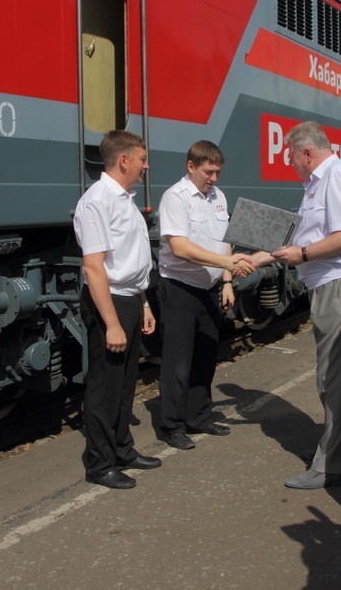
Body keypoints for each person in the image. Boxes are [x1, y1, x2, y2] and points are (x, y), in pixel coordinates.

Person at [253, 120, 341, 490]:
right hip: (328, 284)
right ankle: (340, 453)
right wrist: (262, 257)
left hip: (340, 284)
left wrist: (303, 253)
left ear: (307, 152)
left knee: (335, 378)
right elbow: (307, 235)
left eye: (291, 156)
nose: (289, 163)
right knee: (332, 378)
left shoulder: (339, 176)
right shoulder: (317, 185)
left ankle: (332, 465)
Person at [73, 130, 161, 490]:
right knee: (105, 387)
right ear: (124, 160)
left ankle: (122, 449)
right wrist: (111, 323)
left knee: (125, 385)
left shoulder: (125, 199)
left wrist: (143, 303)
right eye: (142, 158)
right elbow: (94, 267)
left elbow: (131, 260)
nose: (146, 165)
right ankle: (100, 464)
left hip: (128, 298)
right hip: (107, 301)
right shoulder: (97, 201)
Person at [157, 141, 254, 450]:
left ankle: (199, 416)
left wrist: (226, 281)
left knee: (206, 357)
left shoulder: (218, 197)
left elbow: (225, 241)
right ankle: (171, 425)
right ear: (191, 166)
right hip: (180, 289)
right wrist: (227, 264)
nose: (214, 178)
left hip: (211, 289)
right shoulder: (176, 197)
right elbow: (180, 248)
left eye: (217, 172)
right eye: (208, 172)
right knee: (178, 362)